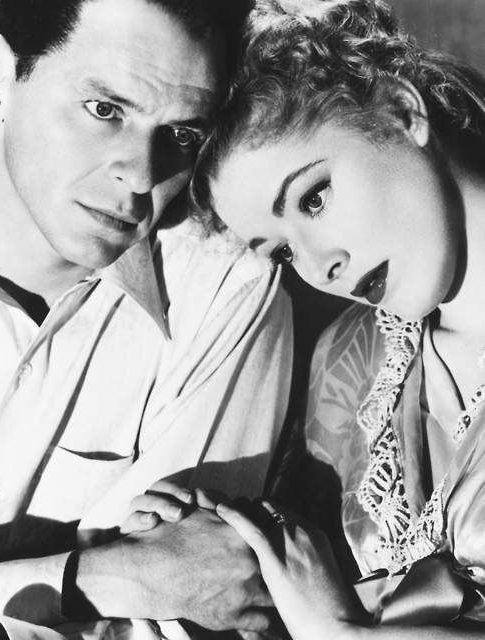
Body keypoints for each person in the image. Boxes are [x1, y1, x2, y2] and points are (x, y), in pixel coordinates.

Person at [0, 0, 294, 638]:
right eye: (105, 110)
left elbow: (193, 590)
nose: (141, 174)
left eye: (182, 134)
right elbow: (144, 585)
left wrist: (123, 582)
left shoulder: (224, 291)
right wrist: (99, 578)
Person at [191, 0, 485, 636]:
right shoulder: (349, 365)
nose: (318, 266)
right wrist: (216, 536)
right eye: (282, 250)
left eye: (314, 197)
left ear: (402, 112)